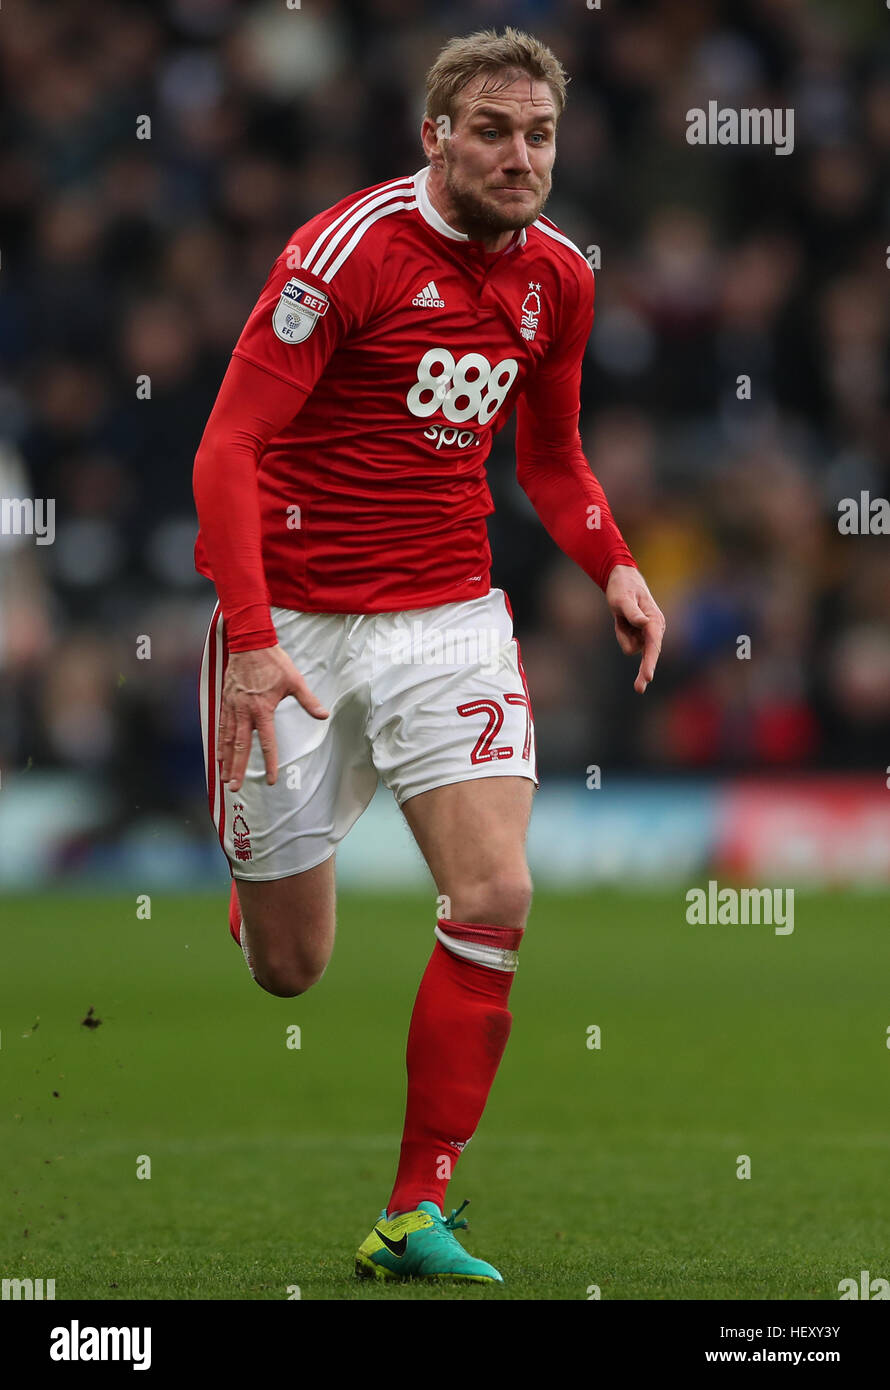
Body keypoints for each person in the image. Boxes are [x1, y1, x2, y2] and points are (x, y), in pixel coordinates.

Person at [192, 26, 665, 1285]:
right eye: (493, 131)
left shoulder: (559, 277)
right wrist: (249, 642)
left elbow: (549, 459)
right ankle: (265, 869)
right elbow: (225, 448)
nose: (520, 157)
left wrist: (612, 563)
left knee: (495, 892)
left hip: (447, 621)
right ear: (435, 137)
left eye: (539, 135)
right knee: (290, 970)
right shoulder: (344, 252)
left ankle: (413, 1209)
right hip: (291, 622)